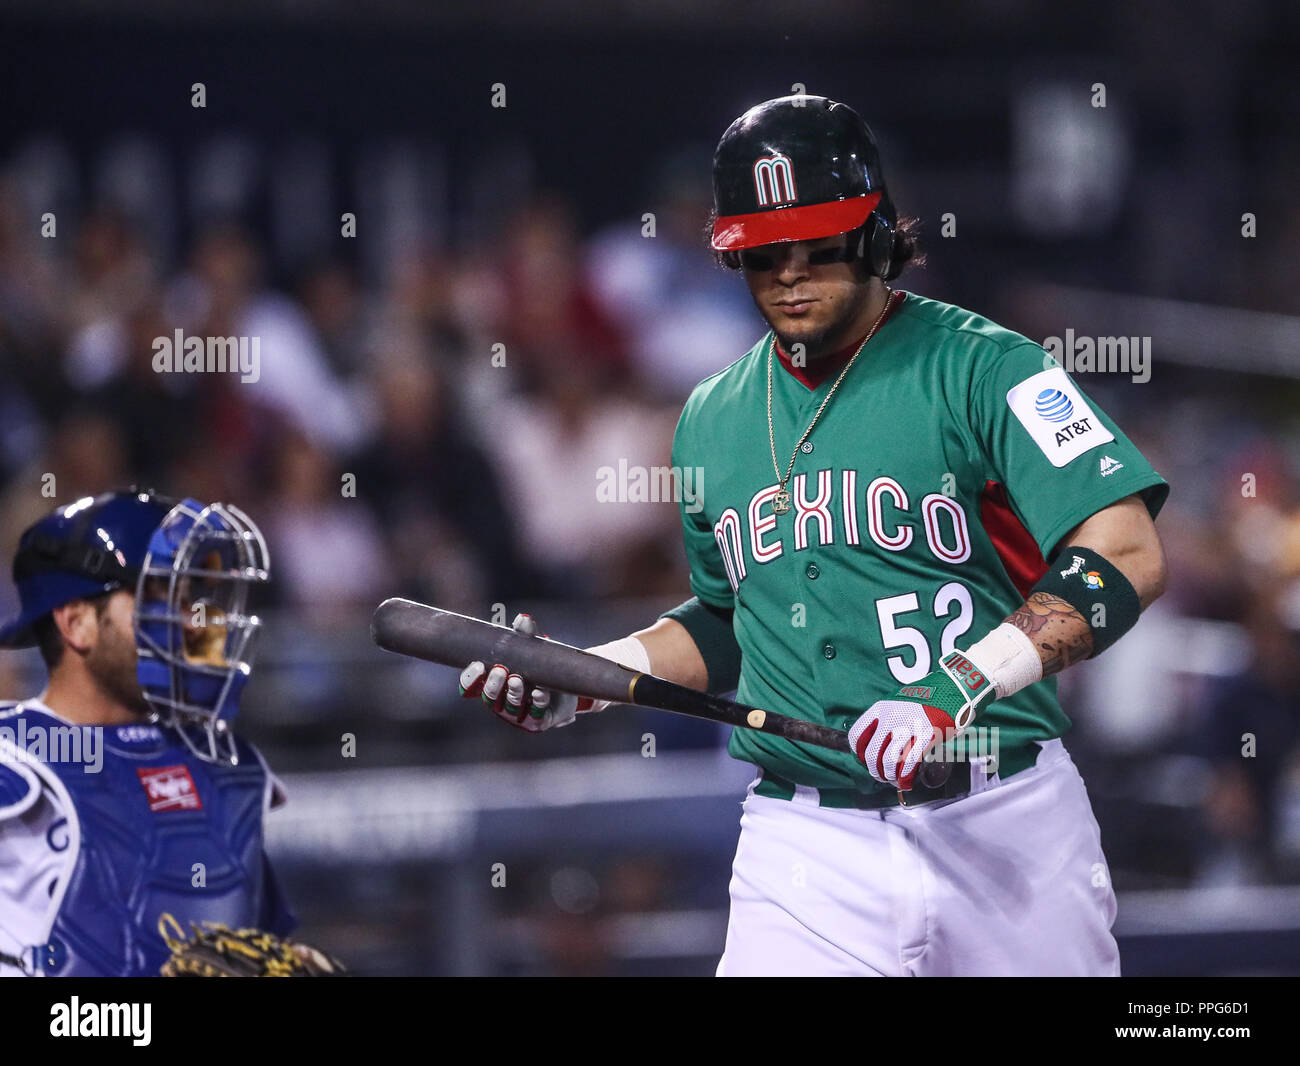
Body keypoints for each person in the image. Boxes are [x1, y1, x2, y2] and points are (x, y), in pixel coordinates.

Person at [458, 95, 1169, 977]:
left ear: (874, 235)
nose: (790, 273)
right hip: (807, 840)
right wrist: (585, 679)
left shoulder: (987, 367)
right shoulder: (711, 417)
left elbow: (1128, 552)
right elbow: (725, 625)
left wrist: (962, 686)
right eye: (763, 253)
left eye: (817, 245)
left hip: (1004, 811)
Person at [0, 490, 295, 976]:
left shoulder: (225, 764)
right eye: (156, 594)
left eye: (188, 596)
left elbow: (262, 953)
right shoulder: (13, 758)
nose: (187, 619)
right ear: (77, 624)